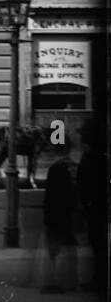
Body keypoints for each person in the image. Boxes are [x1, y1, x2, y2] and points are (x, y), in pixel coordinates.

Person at [77, 119, 108, 290]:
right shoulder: (101, 157)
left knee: (98, 244)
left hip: (93, 206)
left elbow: (84, 184)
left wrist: (83, 204)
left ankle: (99, 280)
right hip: (99, 205)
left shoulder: (89, 157)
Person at [41, 154, 77, 292]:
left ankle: (56, 279)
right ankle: (64, 279)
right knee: (64, 247)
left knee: (54, 249)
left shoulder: (55, 169)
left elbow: (49, 196)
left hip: (54, 215)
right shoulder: (65, 169)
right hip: (63, 214)